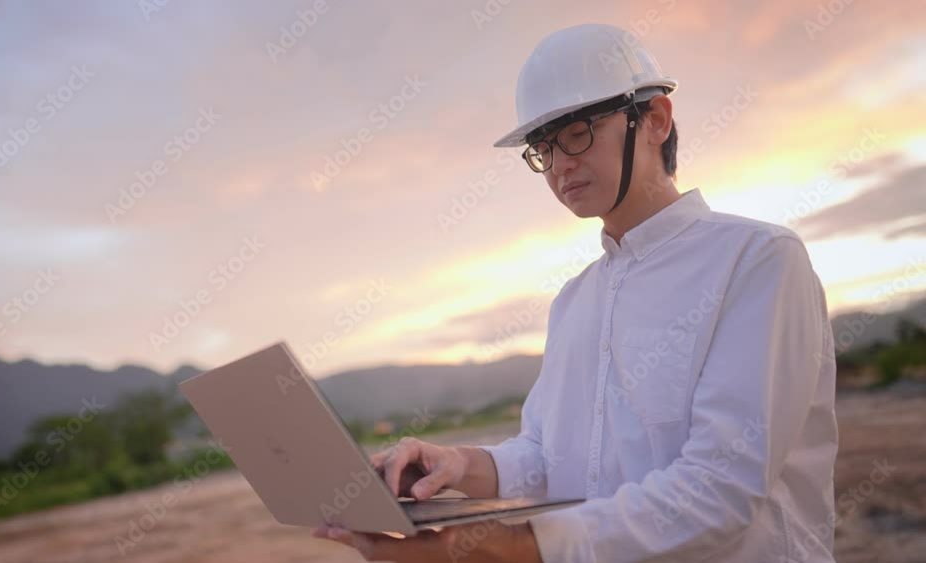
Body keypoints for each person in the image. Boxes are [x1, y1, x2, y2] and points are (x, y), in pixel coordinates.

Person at [313, 23, 838, 563]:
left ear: (654, 119)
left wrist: (516, 550)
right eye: (543, 147)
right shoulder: (574, 300)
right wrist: (456, 464)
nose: (560, 163)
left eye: (578, 132)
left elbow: (721, 488)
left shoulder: (757, 259)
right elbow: (549, 456)